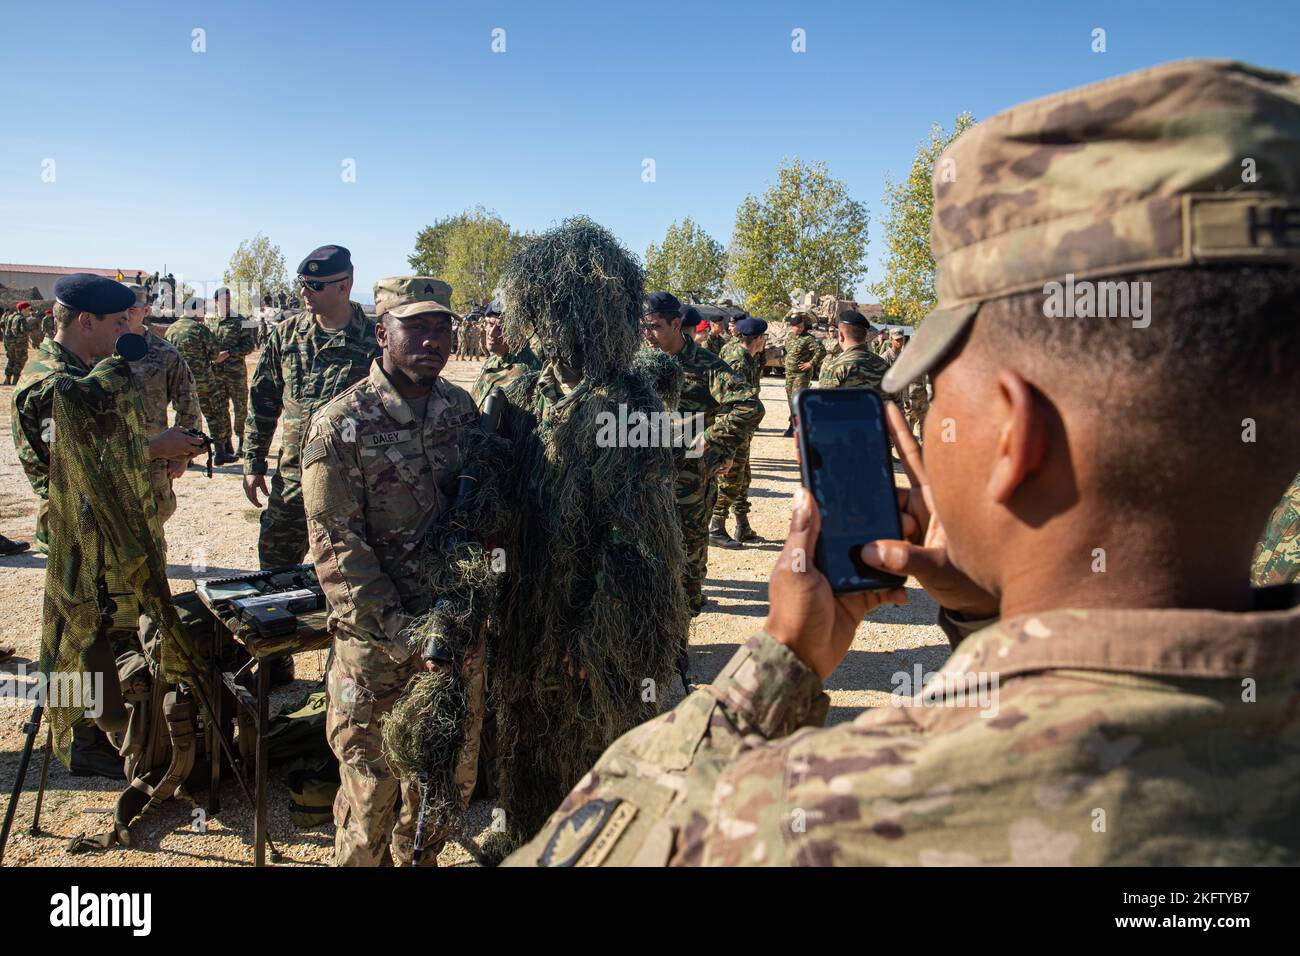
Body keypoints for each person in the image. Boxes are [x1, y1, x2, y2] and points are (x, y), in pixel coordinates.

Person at [505, 59, 1300, 867]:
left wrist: (783, 657)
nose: (922, 427)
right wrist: (992, 617)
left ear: (1013, 439)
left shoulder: (794, 821)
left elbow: (607, 834)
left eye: (935, 388)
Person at [303, 276, 480, 866]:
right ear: (382, 332)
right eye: (416, 328)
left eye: (441, 328)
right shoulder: (341, 423)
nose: (432, 340)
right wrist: (406, 634)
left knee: (440, 791)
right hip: (377, 650)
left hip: (451, 640)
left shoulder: (461, 409)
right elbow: (337, 546)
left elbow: (481, 517)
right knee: (371, 801)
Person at [13, 275, 205, 553]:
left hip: (104, 521)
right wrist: (156, 448)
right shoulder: (57, 384)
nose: (126, 328)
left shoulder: (78, 372)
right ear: (87, 321)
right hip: (84, 532)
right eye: (119, 322)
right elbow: (71, 467)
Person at [243, 244, 379, 569]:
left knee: (348, 581)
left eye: (315, 286)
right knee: (273, 574)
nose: (304, 292)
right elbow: (263, 401)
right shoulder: (288, 335)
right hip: (291, 482)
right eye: (301, 283)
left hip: (349, 489)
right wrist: (253, 462)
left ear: (345, 285)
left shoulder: (376, 340)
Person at [644, 294, 761, 617]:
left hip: (688, 485)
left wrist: (711, 444)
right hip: (645, 482)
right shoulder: (641, 366)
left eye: (654, 327)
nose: (647, 335)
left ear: (676, 325)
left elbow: (749, 407)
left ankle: (683, 629)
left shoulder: (706, 366)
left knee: (687, 558)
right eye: (644, 327)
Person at [122, 284, 202, 530]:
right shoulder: (99, 350)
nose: (124, 316)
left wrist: (183, 455)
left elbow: (188, 404)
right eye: (118, 310)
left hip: (153, 461)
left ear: (145, 310)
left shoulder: (164, 353)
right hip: (110, 459)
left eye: (132, 310)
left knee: (152, 525)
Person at [710, 316, 768, 547]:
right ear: (758, 339)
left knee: (742, 477)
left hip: (742, 427)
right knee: (731, 478)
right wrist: (729, 436)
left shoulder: (744, 355)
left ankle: (742, 525)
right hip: (733, 426)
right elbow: (728, 401)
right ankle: (716, 527)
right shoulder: (739, 362)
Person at [164, 297, 233, 464]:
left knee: (185, 418)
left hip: (178, 383)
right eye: (203, 310)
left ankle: (184, 457)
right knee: (215, 414)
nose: (204, 314)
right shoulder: (199, 329)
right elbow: (215, 353)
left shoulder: (170, 330)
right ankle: (220, 452)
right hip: (203, 382)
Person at [206, 287, 258, 461]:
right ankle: (226, 443)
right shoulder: (210, 320)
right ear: (215, 302)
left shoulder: (242, 320)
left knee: (240, 408)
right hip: (216, 373)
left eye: (228, 300)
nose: (225, 303)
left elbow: (250, 346)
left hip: (235, 373)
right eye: (222, 300)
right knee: (220, 409)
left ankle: (243, 443)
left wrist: (228, 353)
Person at [470, 298, 541, 407]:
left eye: (501, 328)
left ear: (516, 332)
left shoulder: (527, 371)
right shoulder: (492, 360)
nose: (492, 333)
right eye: (490, 324)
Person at [817, 309, 891, 393]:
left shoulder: (833, 368)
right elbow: (895, 403)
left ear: (841, 336)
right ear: (865, 336)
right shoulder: (884, 365)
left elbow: (824, 403)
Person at [781, 310, 825, 437]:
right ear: (792, 327)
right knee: (790, 400)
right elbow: (786, 350)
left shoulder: (808, 339)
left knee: (797, 400)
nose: (800, 329)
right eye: (798, 327)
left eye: (802, 326)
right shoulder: (789, 337)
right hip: (789, 374)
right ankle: (793, 425)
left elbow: (821, 351)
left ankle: (799, 428)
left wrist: (811, 363)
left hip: (802, 375)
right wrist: (785, 360)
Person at [3, 301, 33, 385]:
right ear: (22, 309)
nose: (28, 311)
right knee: (20, 360)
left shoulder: (10, 317)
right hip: (20, 344)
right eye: (27, 309)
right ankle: (15, 380)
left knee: (11, 360)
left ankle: (7, 379)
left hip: (10, 344)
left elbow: (3, 326)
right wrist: (30, 329)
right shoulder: (21, 318)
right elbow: (24, 330)